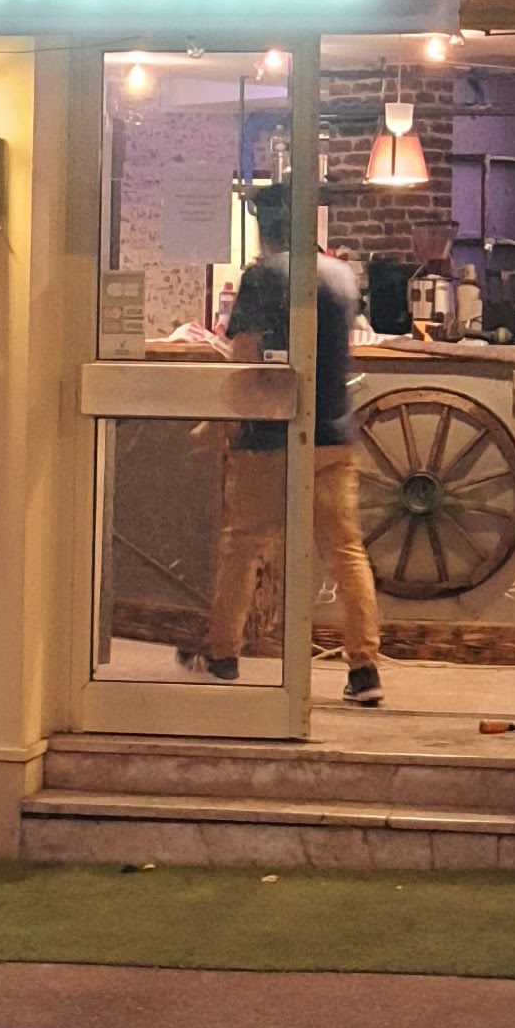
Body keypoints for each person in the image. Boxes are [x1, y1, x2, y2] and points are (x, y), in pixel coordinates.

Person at [189, 186, 384, 704]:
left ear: (266, 226)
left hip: (272, 432)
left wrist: (220, 422)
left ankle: (223, 654)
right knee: (346, 553)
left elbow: (247, 359)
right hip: (334, 433)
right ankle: (364, 670)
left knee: (244, 546)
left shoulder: (262, 276)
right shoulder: (342, 275)